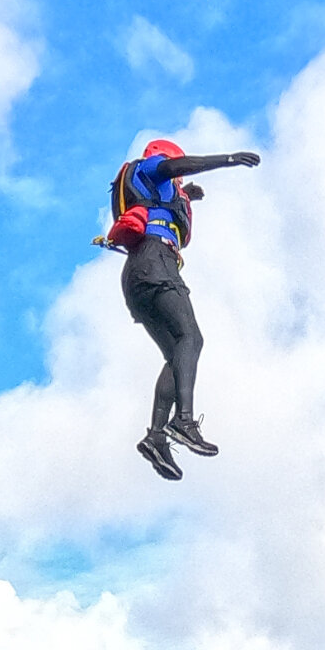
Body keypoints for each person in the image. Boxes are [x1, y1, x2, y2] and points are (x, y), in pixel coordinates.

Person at [113, 140, 260, 480]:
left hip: (138, 277)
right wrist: (228, 159)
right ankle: (183, 421)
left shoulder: (150, 188)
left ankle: (156, 437)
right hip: (155, 263)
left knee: (178, 352)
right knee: (191, 338)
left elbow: (160, 200)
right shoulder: (150, 166)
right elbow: (173, 169)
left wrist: (187, 196)